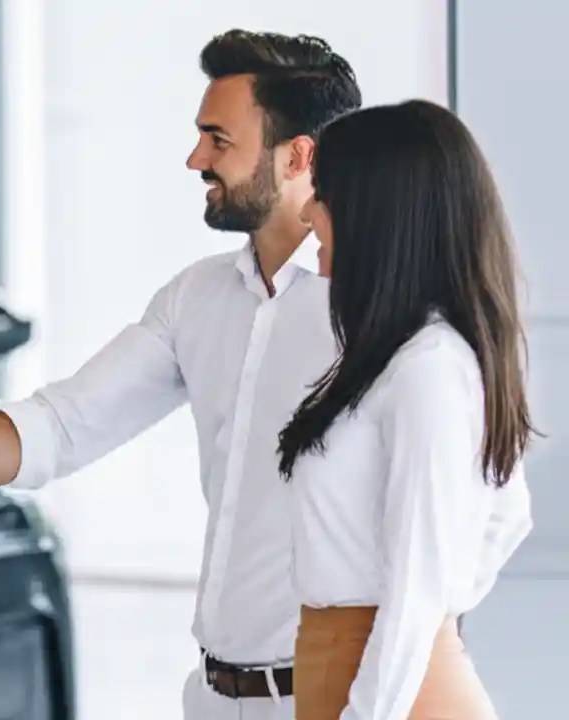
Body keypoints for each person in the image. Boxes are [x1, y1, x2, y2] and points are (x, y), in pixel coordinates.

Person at [0, 29, 361, 719]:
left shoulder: (374, 306)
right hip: (214, 697)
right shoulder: (197, 298)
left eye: (219, 140)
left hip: (333, 699)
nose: (194, 158)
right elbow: (64, 424)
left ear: (300, 155)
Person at [277, 99, 534, 719]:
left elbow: (419, 587)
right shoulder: (395, 358)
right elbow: (508, 513)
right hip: (351, 669)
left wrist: (435, 609)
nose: (309, 214)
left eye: (325, 195)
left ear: (378, 215)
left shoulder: (429, 370)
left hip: (392, 688)